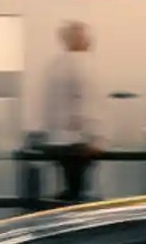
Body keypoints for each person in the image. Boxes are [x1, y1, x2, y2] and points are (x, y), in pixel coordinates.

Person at [42, 21, 103, 202]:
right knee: (78, 191)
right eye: (84, 35)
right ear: (76, 39)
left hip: (61, 139)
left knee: (70, 186)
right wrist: (94, 137)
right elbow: (84, 103)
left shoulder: (56, 65)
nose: (89, 39)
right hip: (77, 142)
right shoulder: (81, 65)